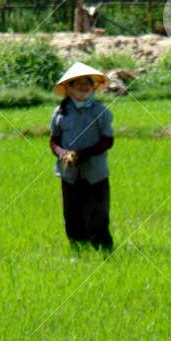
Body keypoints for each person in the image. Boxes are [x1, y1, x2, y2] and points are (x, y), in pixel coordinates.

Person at [50, 62, 114, 251]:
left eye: (88, 83)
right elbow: (54, 141)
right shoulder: (60, 113)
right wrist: (63, 154)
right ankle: (78, 247)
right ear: (68, 88)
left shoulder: (101, 112)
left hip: (95, 172)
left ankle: (103, 247)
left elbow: (107, 141)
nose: (84, 86)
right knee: (71, 211)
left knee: (98, 212)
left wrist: (83, 154)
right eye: (78, 83)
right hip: (69, 172)